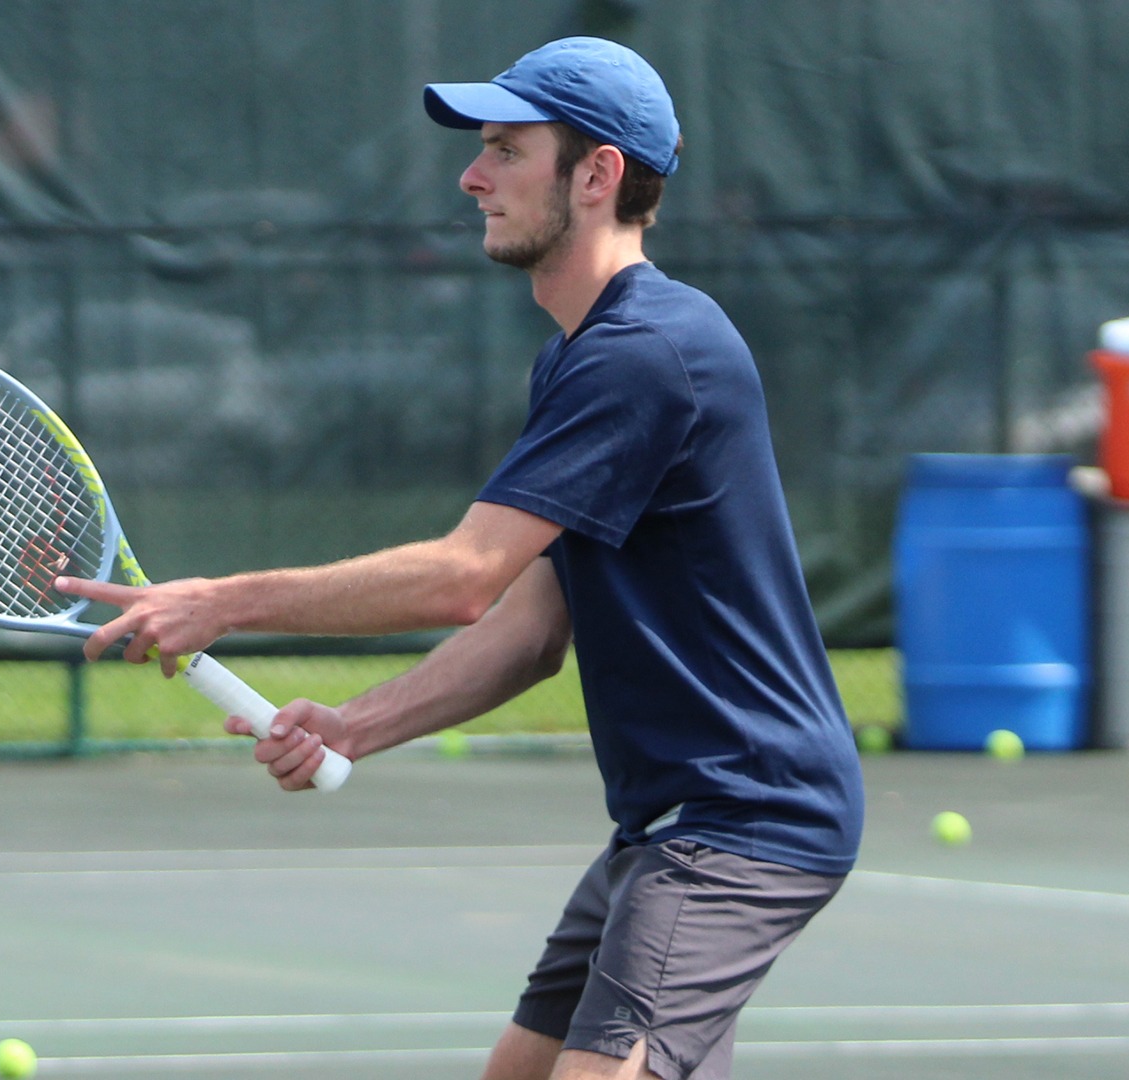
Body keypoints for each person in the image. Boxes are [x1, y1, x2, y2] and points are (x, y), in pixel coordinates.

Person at [55, 36, 863, 1080]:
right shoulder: (579, 357)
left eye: (505, 151)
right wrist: (358, 725)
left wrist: (219, 600)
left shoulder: (649, 354)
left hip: (747, 812)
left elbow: (463, 574)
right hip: (670, 816)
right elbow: (528, 628)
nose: (472, 176)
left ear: (598, 173)